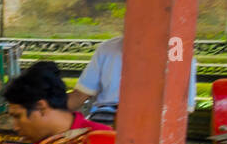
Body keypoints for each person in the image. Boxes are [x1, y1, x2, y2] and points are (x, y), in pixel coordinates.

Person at [68, 33, 198, 121]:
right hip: (104, 123)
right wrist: (52, 110)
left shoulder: (180, 55)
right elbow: (79, 96)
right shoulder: (108, 49)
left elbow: (180, 111)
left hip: (153, 126)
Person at [3, 61, 110, 141]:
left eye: (18, 116)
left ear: (40, 107)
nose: (15, 127)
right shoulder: (41, 143)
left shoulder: (103, 140)